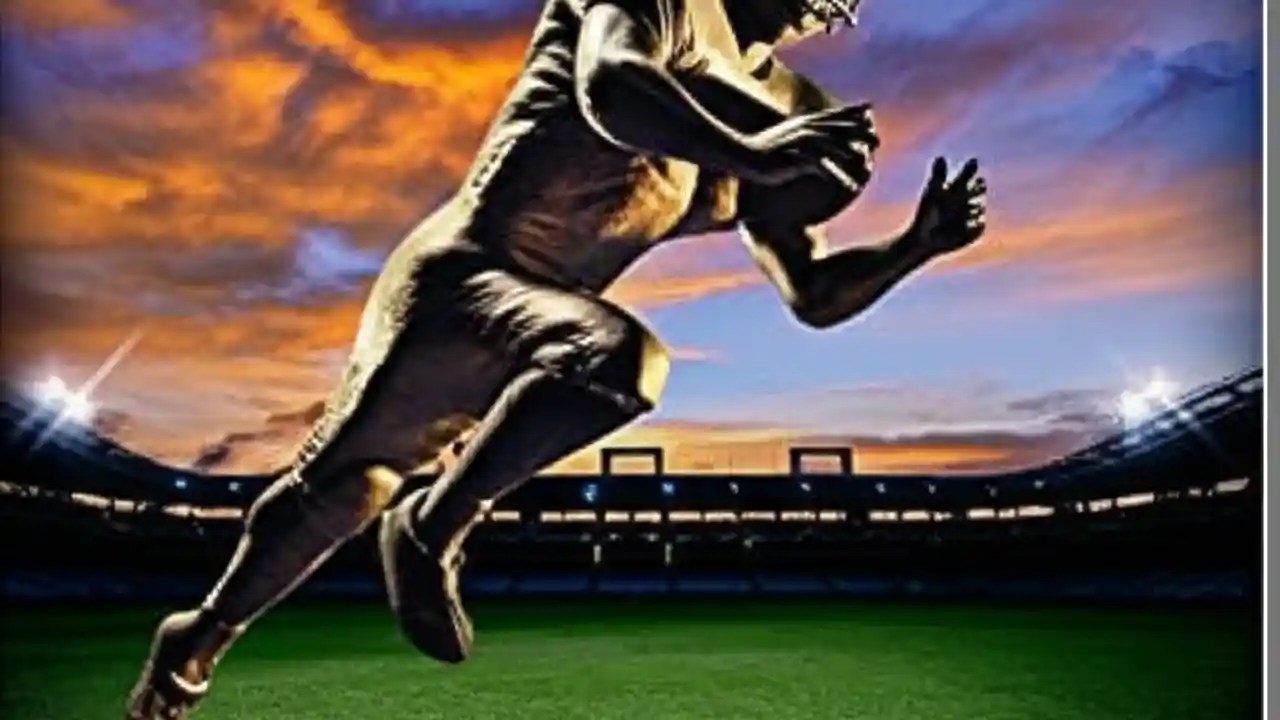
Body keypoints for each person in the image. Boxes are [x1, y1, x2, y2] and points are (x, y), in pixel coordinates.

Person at [126, 1, 987, 717]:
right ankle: (198, 640)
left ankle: (433, 527)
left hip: (547, 313)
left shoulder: (790, 99)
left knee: (620, 362)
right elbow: (610, 85)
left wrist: (916, 245)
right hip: (465, 271)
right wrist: (755, 151)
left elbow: (810, 293)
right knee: (346, 489)